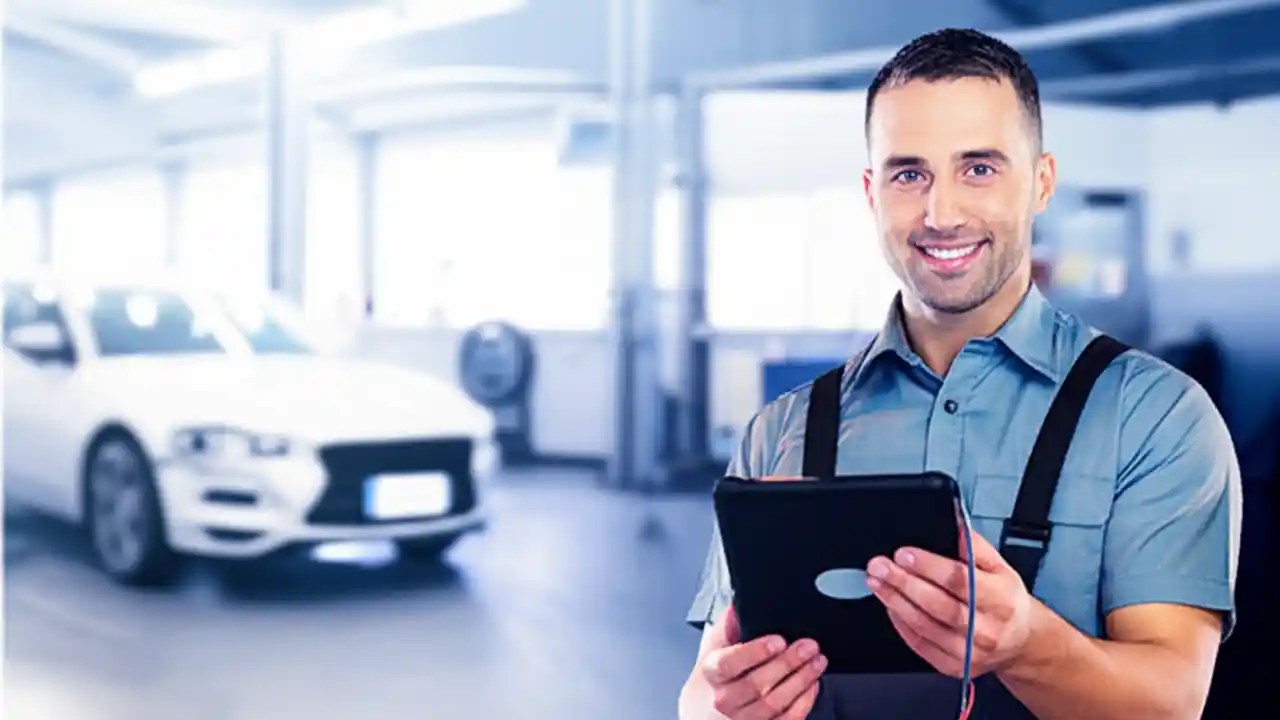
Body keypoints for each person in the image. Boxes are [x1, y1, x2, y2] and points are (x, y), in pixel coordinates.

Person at [677, 28, 1241, 720]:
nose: (942, 215)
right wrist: (732, 705)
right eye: (909, 174)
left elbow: (1174, 702)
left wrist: (1028, 644)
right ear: (871, 191)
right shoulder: (782, 432)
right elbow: (702, 692)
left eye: (979, 168)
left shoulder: (1155, 417)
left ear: (1041, 183)